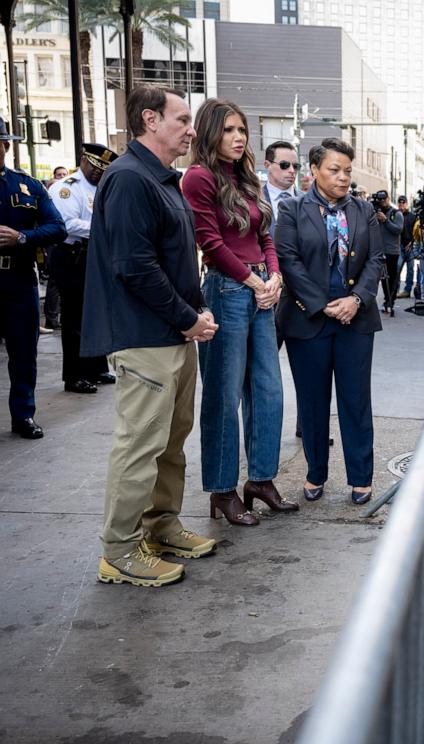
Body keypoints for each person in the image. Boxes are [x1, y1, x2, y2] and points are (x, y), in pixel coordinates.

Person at [83, 86, 218, 587]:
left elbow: (173, 261)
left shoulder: (161, 180)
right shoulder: (128, 178)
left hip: (173, 333)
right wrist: (187, 318)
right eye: (182, 119)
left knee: (170, 440)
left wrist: (193, 313)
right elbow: (135, 267)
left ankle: (160, 526)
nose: (191, 130)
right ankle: (119, 551)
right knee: (140, 443)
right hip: (146, 336)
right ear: (150, 120)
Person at [182, 99, 296, 527]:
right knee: (224, 396)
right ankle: (222, 489)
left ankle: (261, 480)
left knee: (268, 391)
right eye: (229, 129)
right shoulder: (198, 177)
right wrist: (254, 281)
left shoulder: (247, 177)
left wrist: (274, 276)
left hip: (261, 289)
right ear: (211, 131)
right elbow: (210, 242)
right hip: (227, 290)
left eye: (242, 130)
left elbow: (265, 235)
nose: (238, 137)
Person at [276, 137, 383, 506]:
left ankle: (361, 478)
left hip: (356, 320)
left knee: (356, 400)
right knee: (312, 403)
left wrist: (356, 299)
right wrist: (322, 305)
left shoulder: (364, 210)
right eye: (334, 170)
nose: (343, 177)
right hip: (308, 321)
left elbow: (376, 260)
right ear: (314, 170)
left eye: (347, 171)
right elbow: (288, 261)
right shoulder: (292, 209)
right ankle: (315, 472)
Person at [0, 115, 67, 439]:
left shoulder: (26, 185)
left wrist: (23, 237)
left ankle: (23, 414)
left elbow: (57, 227)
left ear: (5, 146)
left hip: (18, 279)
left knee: (23, 352)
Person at [48, 143, 118, 394]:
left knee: (96, 313)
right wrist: (103, 228)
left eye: (103, 168)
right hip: (72, 256)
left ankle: (96, 367)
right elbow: (67, 224)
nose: (98, 172)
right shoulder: (67, 188)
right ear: (83, 161)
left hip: (93, 255)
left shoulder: (102, 187)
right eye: (95, 166)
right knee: (75, 316)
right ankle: (74, 375)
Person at [374, 190, 404, 316]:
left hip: (392, 251)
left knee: (392, 278)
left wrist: (385, 220)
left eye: (384, 199)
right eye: (380, 200)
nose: (382, 202)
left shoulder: (396, 213)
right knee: (382, 278)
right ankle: (387, 300)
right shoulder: (376, 212)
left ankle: (391, 301)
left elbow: (398, 230)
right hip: (379, 250)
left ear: (388, 198)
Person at [262, 140, 300, 237]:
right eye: (284, 165)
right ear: (267, 165)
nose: (292, 170)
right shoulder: (254, 200)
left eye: (296, 166)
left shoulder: (308, 201)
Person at [395, 195, 416, 298]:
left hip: (410, 247)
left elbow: (416, 232)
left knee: (410, 270)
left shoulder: (412, 216)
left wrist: (412, 243)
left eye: (403, 204)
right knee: (397, 268)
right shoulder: (395, 215)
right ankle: (395, 290)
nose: (401, 206)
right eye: (400, 204)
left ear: (407, 204)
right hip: (399, 246)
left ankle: (407, 290)